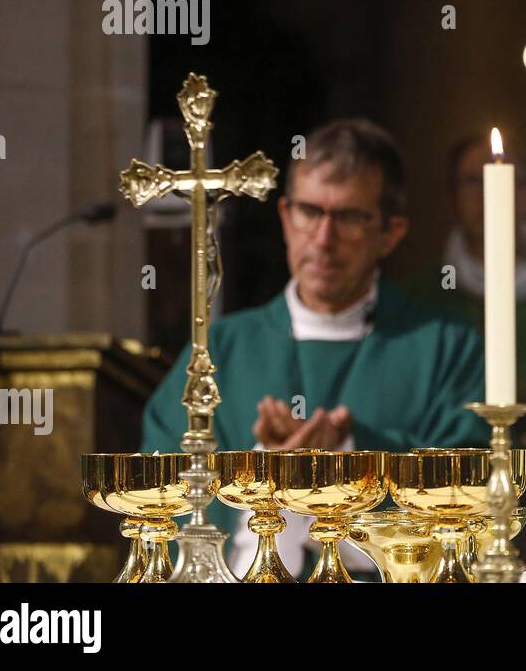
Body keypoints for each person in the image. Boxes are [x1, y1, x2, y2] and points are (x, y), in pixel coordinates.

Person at [140, 118, 486, 578]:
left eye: (349, 217)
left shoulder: (447, 346)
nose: (324, 239)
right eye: (309, 212)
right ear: (286, 216)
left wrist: (349, 455)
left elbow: (474, 497)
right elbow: (159, 498)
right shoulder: (218, 350)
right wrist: (262, 471)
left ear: (391, 232)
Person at [408, 135, 526, 388]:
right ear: (452, 197)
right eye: (473, 181)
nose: (488, 192)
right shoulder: (423, 298)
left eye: (506, 178)